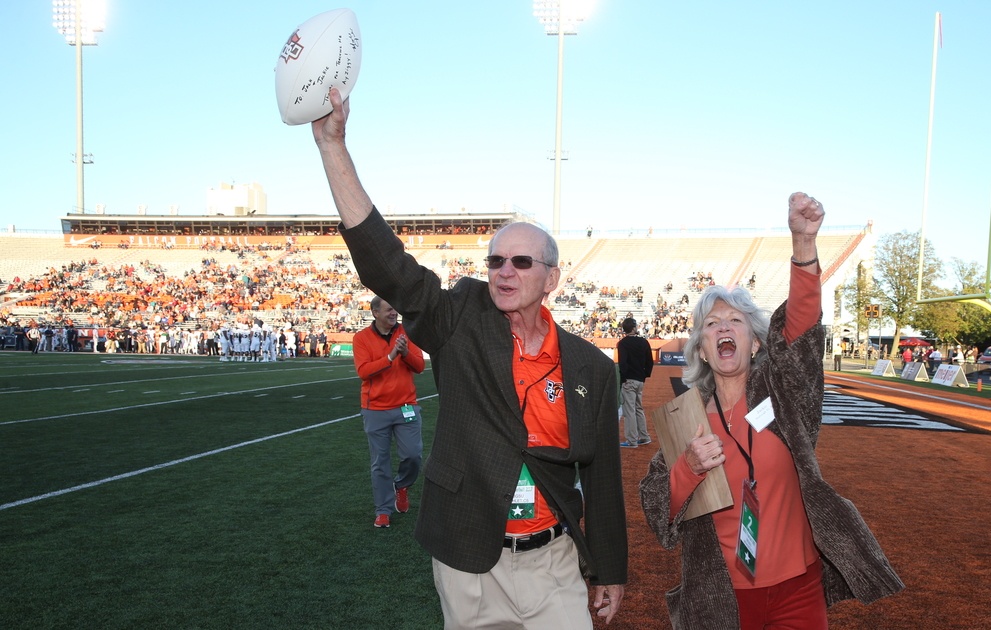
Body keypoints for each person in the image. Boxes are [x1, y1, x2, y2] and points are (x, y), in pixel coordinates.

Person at [312, 87, 626, 628]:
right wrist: (333, 147)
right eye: (495, 260)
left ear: (551, 278)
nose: (504, 271)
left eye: (521, 262)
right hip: (469, 562)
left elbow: (601, 478)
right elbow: (392, 271)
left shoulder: (592, 368)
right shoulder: (461, 317)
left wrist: (611, 569)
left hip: (554, 565)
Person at [639, 193, 902, 629]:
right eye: (711, 324)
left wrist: (804, 244)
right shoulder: (685, 421)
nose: (724, 327)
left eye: (736, 320)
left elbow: (800, 335)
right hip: (720, 597)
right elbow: (656, 509)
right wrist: (688, 467)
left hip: (797, 590)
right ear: (702, 349)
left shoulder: (782, 396)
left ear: (756, 342)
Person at [353, 296, 427, 529]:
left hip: (406, 406)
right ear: (375, 313)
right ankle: (383, 510)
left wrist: (404, 353)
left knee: (413, 455)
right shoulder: (361, 338)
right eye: (389, 309)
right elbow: (364, 372)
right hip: (375, 409)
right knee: (380, 462)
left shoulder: (407, 332)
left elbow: (420, 366)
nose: (394, 313)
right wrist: (390, 357)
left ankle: (401, 485)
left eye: (395, 309)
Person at [617, 317, 654, 448]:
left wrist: (624, 379)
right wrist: (644, 375)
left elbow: (623, 363)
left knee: (629, 410)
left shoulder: (623, 343)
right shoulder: (643, 342)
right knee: (638, 408)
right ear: (633, 328)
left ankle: (632, 440)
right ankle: (644, 437)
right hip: (639, 380)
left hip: (629, 380)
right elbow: (649, 362)